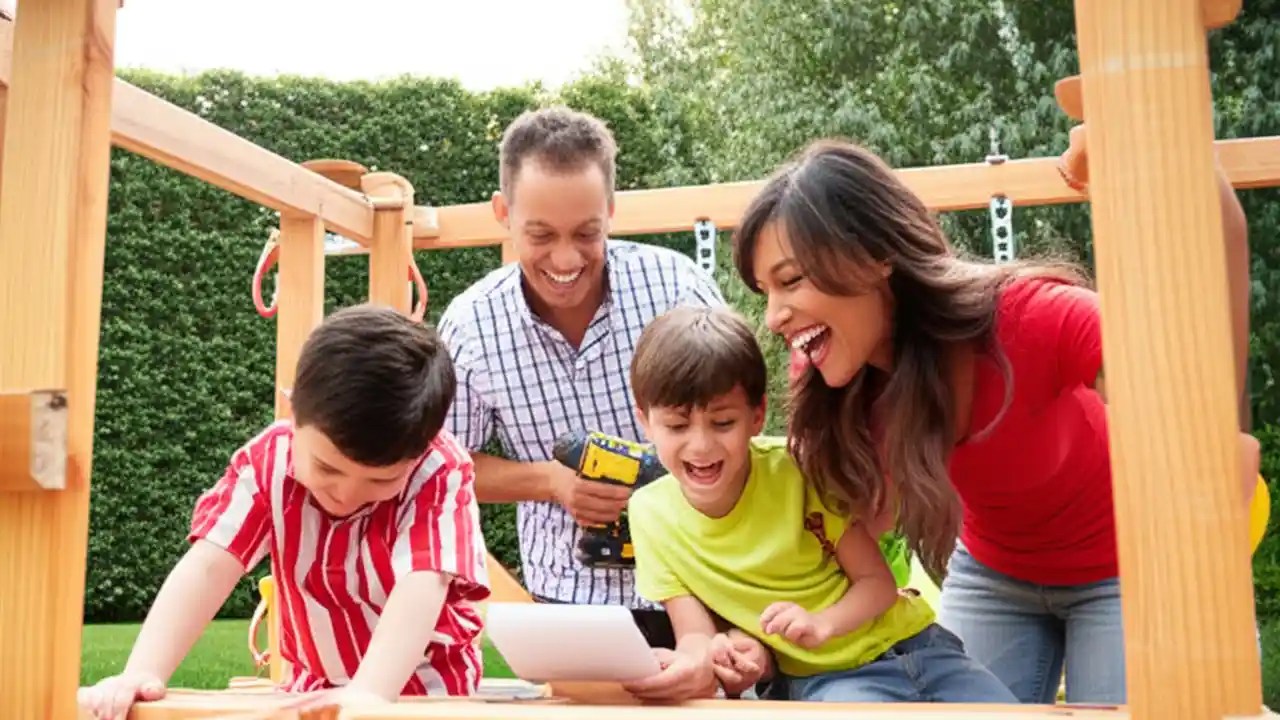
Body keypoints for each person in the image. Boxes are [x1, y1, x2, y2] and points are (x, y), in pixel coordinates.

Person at [730, 133, 1260, 706]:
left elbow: (1190, 374)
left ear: (874, 257)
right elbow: (830, 539)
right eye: (765, 290)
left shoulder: (1025, 318)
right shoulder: (832, 378)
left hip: (1125, 567)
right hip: (994, 572)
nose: (775, 316)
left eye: (790, 281)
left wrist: (1171, 174)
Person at [78, 304, 490, 720]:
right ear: (293, 411)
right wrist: (142, 672)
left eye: (380, 482)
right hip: (310, 684)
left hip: (426, 690)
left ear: (423, 448)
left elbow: (421, 585)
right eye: (327, 468)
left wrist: (369, 696)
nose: (346, 494)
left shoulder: (439, 469)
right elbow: (208, 567)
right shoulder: (267, 461)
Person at [620, 305, 1019, 704]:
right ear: (645, 421)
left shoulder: (800, 471)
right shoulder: (650, 514)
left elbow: (878, 584)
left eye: (723, 423)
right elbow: (694, 633)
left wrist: (821, 624)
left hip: (919, 647)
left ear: (757, 416)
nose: (702, 445)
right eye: (676, 426)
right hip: (829, 682)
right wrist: (700, 660)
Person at [435, 106, 726, 649]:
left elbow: (740, 431)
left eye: (587, 233)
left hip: (704, 579)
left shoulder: (677, 288)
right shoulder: (472, 326)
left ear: (611, 209)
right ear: (503, 211)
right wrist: (551, 482)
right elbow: (443, 468)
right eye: (540, 234)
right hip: (569, 596)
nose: (565, 258)